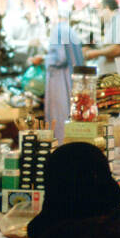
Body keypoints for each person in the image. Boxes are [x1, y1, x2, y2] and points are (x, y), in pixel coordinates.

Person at [28, 12, 84, 142]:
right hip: (73, 81)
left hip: (61, 83)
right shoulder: (70, 31)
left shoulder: (58, 31)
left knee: (60, 119)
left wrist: (42, 59)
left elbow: (59, 58)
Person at [83, 0, 120, 75]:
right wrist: (92, 50)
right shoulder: (112, 24)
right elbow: (108, 48)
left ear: (107, 8)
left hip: (118, 76)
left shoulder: (119, 21)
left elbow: (117, 49)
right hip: (112, 76)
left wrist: (94, 53)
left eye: (100, 10)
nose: (99, 14)